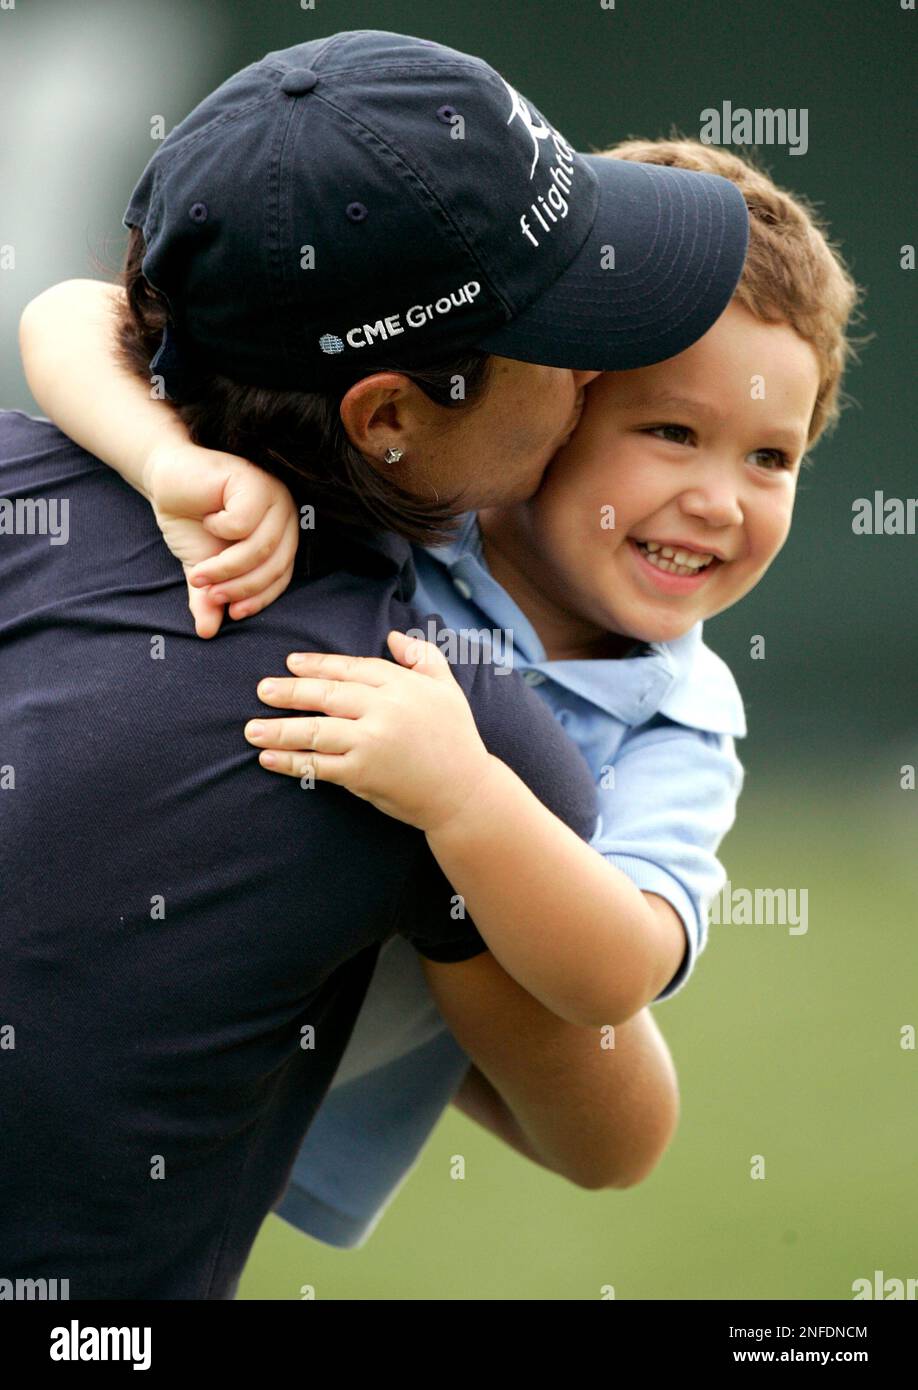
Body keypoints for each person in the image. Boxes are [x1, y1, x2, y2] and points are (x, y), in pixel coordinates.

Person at [20, 132, 862, 1257]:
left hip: (225, 1125)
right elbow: (74, 313)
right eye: (670, 433)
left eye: (773, 457)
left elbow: (620, 972)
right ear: (557, 401)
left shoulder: (678, 722)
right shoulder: (421, 503)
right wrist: (166, 459)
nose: (721, 500)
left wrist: (465, 802)